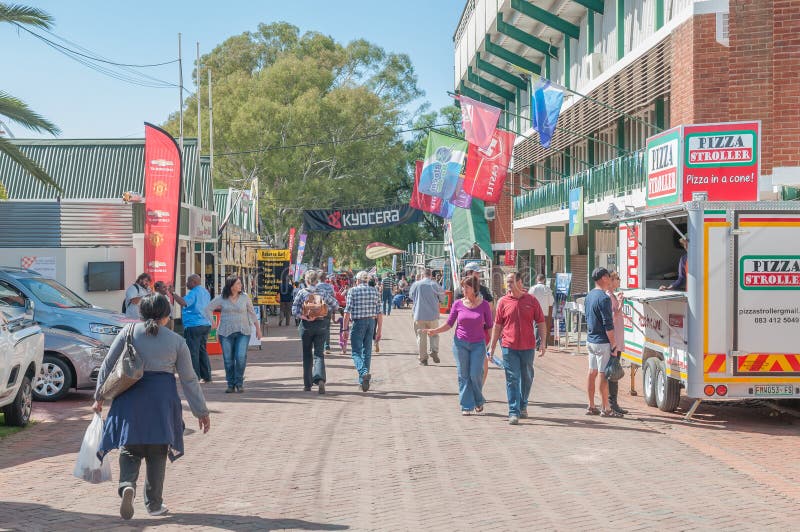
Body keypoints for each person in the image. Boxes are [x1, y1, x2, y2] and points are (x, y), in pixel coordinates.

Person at [92, 294, 210, 520]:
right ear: (166, 316)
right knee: (157, 452)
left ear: (141, 313)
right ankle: (154, 504)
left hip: (129, 397)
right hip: (162, 401)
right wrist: (201, 411)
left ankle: (127, 485)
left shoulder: (128, 332)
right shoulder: (177, 341)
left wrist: (99, 397)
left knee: (129, 448)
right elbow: (189, 379)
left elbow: (108, 365)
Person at [423, 276, 493, 415]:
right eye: (463, 287)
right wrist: (434, 331)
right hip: (460, 344)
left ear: (474, 289)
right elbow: (449, 324)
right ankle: (466, 405)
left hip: (478, 344)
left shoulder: (484, 305)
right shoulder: (458, 304)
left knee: (475, 374)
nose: (463, 290)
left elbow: (490, 327)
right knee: (463, 374)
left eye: (466, 287)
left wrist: (492, 345)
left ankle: (478, 400)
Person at [488, 272, 547, 425]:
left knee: (527, 377)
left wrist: (543, 342)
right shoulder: (503, 302)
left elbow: (541, 322)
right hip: (509, 346)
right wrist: (492, 347)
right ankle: (513, 411)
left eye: (511, 281)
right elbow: (497, 326)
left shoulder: (531, 300)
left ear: (520, 282)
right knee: (512, 378)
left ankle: (523, 404)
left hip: (528, 347)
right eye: (507, 282)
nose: (508, 285)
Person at [204, 275, 262, 394]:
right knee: (228, 359)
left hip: (243, 331)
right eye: (238, 284)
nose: (240, 286)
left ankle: (239, 383)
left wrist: (258, 329)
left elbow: (252, 313)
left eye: (240, 284)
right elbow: (208, 308)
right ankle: (230, 384)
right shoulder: (222, 298)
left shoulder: (245, 298)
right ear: (231, 286)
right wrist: (213, 322)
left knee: (240, 357)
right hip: (225, 332)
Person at [292, 270, 339, 394]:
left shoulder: (302, 293)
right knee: (319, 353)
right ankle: (320, 379)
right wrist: (325, 311)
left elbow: (294, 310)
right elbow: (335, 305)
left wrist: (306, 317)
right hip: (321, 325)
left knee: (307, 354)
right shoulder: (322, 292)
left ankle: (307, 385)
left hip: (307, 326)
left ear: (306, 281)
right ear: (317, 281)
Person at [584, 267, 622, 418]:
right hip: (602, 342)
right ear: (604, 278)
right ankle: (606, 408)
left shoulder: (590, 295)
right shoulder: (604, 298)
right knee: (603, 375)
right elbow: (608, 325)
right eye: (608, 276)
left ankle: (591, 405)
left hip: (590, 339)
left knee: (591, 372)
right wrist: (613, 344)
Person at [343, 271, 383, 392]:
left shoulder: (353, 291)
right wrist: (379, 330)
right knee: (367, 351)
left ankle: (363, 372)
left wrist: (344, 329)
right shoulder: (375, 291)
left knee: (355, 351)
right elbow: (379, 313)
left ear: (358, 280)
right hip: (371, 323)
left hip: (358, 322)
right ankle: (363, 381)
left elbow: (347, 311)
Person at [171, 274, 212, 383]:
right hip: (205, 324)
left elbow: (184, 303)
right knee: (202, 350)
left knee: (193, 352)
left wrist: (173, 293)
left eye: (188, 281)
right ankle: (207, 376)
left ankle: (195, 376)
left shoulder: (193, 293)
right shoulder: (205, 292)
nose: (186, 284)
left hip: (194, 325)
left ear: (194, 282)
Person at [409, 269, 445, 366]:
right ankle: (434, 350)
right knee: (434, 334)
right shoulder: (434, 284)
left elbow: (411, 296)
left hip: (419, 314)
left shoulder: (416, 284)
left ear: (422, 275)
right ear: (430, 275)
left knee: (421, 337)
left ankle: (423, 359)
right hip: (433, 315)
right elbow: (442, 297)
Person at [606, 271, 628, 415]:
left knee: (613, 372)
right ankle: (611, 404)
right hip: (613, 341)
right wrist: (620, 303)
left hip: (617, 340)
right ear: (611, 280)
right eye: (617, 279)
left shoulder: (612, 296)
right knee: (612, 373)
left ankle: (613, 403)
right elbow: (612, 316)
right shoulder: (608, 297)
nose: (619, 281)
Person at [528, 274, 554, 348]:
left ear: (537, 279)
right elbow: (551, 302)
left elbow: (528, 300)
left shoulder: (533, 288)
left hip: (535, 311)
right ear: (544, 280)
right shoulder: (547, 289)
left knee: (536, 327)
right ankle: (544, 344)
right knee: (544, 327)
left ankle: (537, 344)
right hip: (545, 311)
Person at [316, 271, 336, 354]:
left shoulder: (316, 287)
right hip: (328, 309)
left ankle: (319, 346)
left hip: (318, 309)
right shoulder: (330, 286)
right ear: (326, 278)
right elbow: (333, 296)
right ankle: (327, 346)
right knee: (327, 328)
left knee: (318, 328)